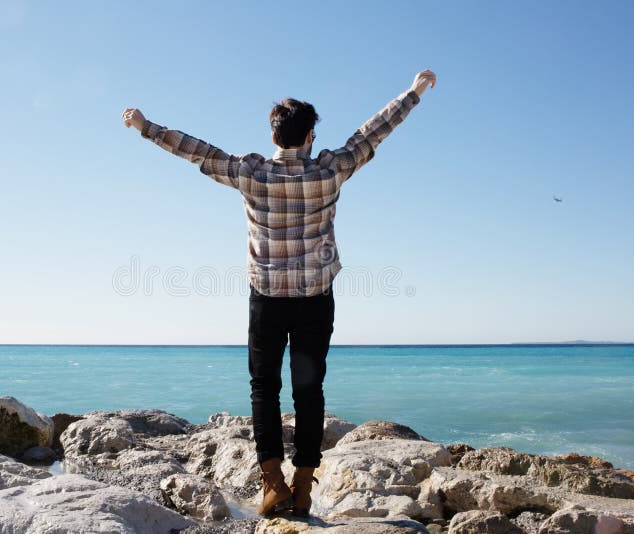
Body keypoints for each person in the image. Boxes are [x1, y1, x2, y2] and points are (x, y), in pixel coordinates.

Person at [122, 69, 436, 516]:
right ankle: (303, 486)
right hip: (314, 299)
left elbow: (197, 151)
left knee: (263, 388)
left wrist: (146, 127)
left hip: (266, 298)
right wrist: (413, 93)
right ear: (310, 135)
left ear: (274, 134)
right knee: (309, 391)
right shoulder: (331, 169)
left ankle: (273, 485)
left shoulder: (251, 173)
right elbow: (374, 132)